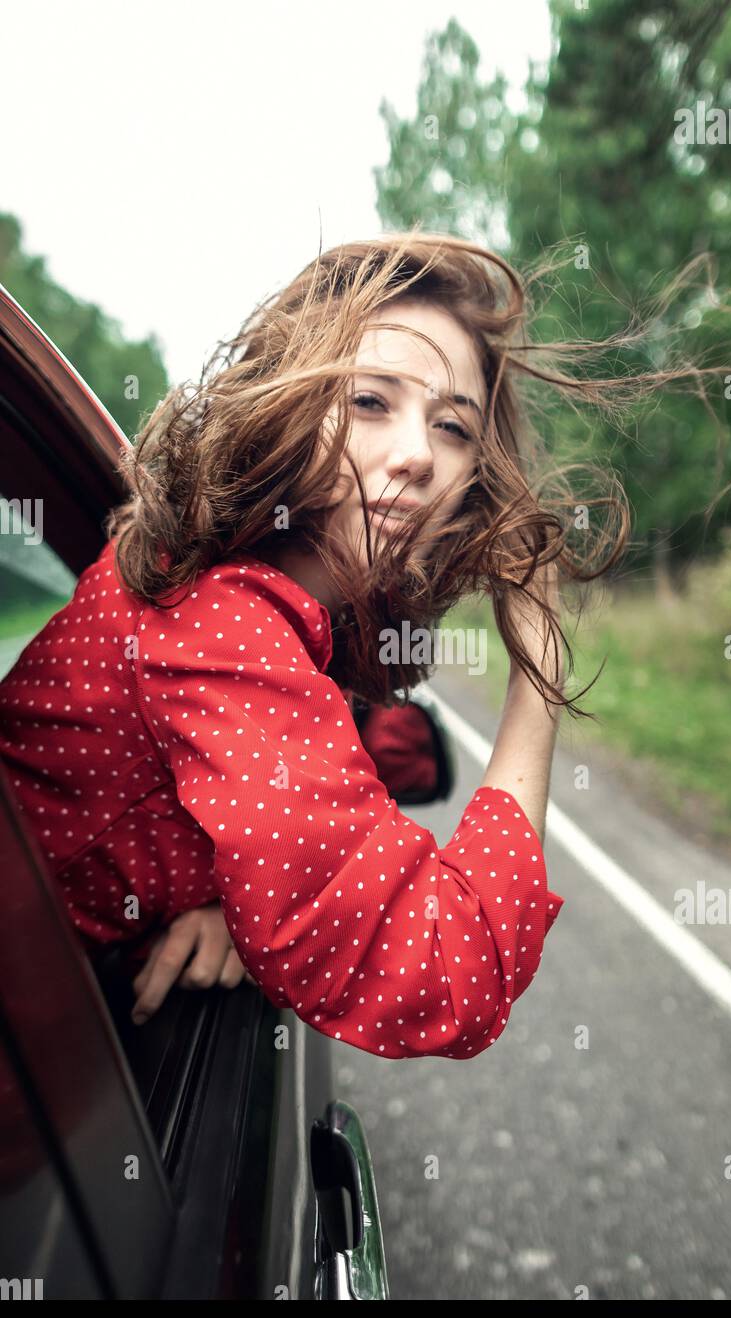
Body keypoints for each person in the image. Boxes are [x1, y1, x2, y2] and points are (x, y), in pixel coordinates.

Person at [0, 230, 625, 1060]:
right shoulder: (217, 620)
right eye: (372, 402)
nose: (416, 457)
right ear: (287, 404)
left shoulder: (257, 604)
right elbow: (444, 971)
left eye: (453, 427)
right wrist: (539, 669)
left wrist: (238, 897)